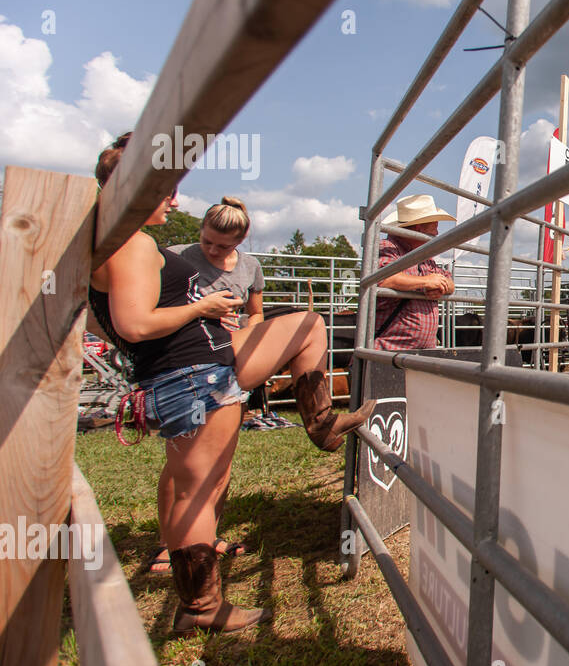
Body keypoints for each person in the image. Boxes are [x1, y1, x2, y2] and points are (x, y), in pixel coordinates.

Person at [86, 133, 375, 633]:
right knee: (199, 489)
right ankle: (200, 609)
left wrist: (197, 319)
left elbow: (102, 324)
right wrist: (202, 308)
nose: (174, 198)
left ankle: (323, 423)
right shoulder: (132, 244)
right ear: (133, 187)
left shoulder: (106, 243)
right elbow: (132, 325)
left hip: (192, 364)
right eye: (166, 188)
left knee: (308, 324)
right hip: (194, 374)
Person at [148, 198, 266, 573]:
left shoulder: (250, 268)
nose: (212, 250)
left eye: (223, 245)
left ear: (241, 241)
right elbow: (149, 309)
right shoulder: (176, 257)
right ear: (200, 230)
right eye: (208, 240)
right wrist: (202, 312)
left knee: (221, 458)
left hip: (229, 363)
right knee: (181, 464)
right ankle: (169, 544)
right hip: (187, 365)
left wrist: (247, 330)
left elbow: (257, 313)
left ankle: (207, 535)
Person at [374, 195, 457, 351]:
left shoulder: (425, 256)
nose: (437, 233)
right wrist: (425, 282)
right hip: (389, 352)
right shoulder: (388, 247)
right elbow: (382, 278)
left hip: (419, 353)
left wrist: (442, 286)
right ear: (419, 228)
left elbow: (448, 279)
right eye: (434, 226)